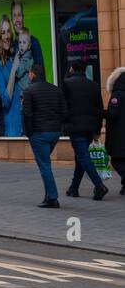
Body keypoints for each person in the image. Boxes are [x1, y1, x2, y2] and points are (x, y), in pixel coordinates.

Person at [22, 63, 67, 208]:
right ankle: (48, 196)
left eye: (29, 73)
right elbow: (64, 113)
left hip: (39, 133)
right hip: (54, 133)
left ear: (33, 74)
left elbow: (27, 114)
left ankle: (52, 198)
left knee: (44, 166)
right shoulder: (56, 90)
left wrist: (29, 133)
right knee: (45, 162)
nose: (29, 75)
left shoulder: (29, 91)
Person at [63, 60, 107, 199]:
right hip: (90, 127)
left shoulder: (67, 84)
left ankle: (99, 186)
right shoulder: (94, 85)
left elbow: (63, 107)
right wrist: (98, 129)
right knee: (80, 158)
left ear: (71, 69)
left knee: (82, 157)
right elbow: (99, 109)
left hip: (75, 127)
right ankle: (74, 188)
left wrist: (64, 125)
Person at [0, 14, 23, 137]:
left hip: (26, 126)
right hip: (12, 129)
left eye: (8, 32)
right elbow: (5, 101)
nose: (6, 36)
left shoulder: (16, 54)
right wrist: (13, 71)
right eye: (3, 33)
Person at [104, 67, 125, 195]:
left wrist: (100, 113)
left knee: (117, 160)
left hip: (119, 133)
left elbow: (113, 113)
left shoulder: (117, 95)